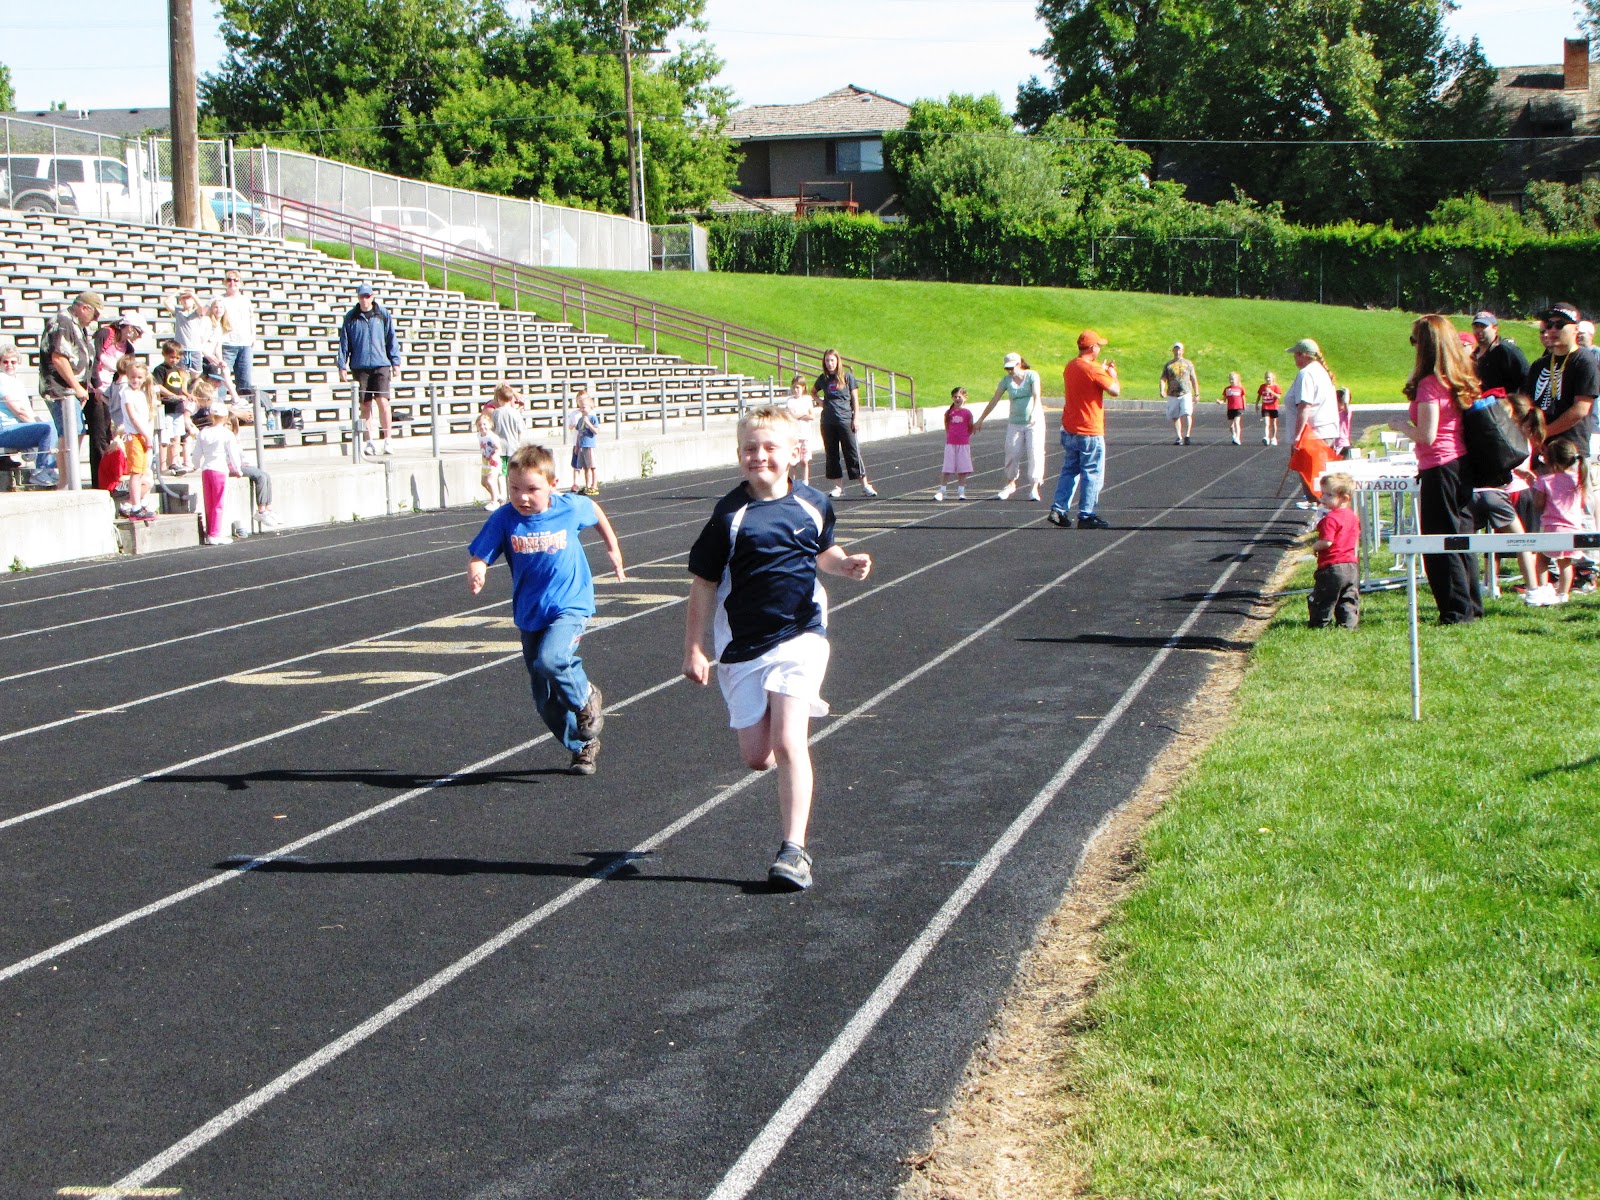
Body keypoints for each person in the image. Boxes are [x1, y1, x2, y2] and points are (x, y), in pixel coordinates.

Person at [682, 405, 872, 891]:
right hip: (743, 646)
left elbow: (822, 550)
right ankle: (778, 767)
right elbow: (703, 583)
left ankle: (794, 850)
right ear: (739, 454)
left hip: (801, 635)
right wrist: (695, 648)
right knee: (756, 757)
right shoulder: (728, 516)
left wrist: (844, 563)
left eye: (770, 448)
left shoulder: (812, 504)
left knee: (791, 742)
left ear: (794, 454)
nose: (759, 456)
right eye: (750, 448)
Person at [468, 444, 624, 775]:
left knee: (552, 659)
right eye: (515, 489)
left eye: (532, 489)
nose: (522, 497)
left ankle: (586, 696)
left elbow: (593, 510)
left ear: (553, 485)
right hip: (531, 613)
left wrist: (612, 548)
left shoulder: (568, 508)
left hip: (570, 604)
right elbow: (482, 551)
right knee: (545, 699)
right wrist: (478, 566)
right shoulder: (505, 518)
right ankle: (583, 747)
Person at [1390, 314, 1481, 625]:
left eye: (1415, 340)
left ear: (1425, 345)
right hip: (1461, 462)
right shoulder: (1456, 376)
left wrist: (1403, 426)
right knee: (1463, 537)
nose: (1412, 346)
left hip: (1439, 466)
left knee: (1440, 541)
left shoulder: (1430, 383)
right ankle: (1471, 605)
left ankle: (1456, 612)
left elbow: (1427, 435)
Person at [1049, 329, 1119, 529]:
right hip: (1089, 428)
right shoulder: (1094, 369)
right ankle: (1087, 514)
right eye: (1098, 345)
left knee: (1069, 470)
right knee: (1092, 472)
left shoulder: (1071, 366)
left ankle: (1059, 508)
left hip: (1070, 426)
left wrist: (1101, 370)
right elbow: (1115, 390)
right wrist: (1112, 374)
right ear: (1093, 347)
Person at [193, 379, 280, 533]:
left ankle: (267, 508)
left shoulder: (218, 432)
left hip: (216, 468)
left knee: (265, 475)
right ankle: (261, 510)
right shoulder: (220, 433)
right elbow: (232, 455)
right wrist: (239, 469)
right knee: (258, 477)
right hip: (224, 467)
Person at [39, 290, 103, 490]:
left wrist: (82, 388)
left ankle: (68, 481)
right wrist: (76, 387)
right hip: (60, 389)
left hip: (73, 391)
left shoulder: (78, 326)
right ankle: (64, 483)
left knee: (77, 432)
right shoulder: (63, 322)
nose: (95, 320)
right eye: (95, 315)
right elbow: (59, 357)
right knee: (69, 433)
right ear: (85, 308)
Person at [338, 283, 402, 456]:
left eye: (367, 296)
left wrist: (395, 361)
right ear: (358, 298)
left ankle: (388, 439)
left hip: (381, 363)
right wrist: (342, 364)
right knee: (365, 405)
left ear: (372, 297)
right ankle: (369, 441)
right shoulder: (351, 317)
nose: (365, 300)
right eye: (362, 297)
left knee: (383, 401)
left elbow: (391, 338)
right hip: (360, 365)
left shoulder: (382, 314)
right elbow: (344, 342)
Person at [975, 352, 1044, 501]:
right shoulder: (1006, 381)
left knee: (1035, 453)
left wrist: (1035, 412)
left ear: (1019, 364)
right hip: (1015, 422)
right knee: (1011, 453)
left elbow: (1037, 395)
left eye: (1012, 368)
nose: (1010, 371)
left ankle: (1034, 487)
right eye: (1007, 369)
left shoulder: (1032, 375)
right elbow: (994, 400)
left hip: (1034, 422)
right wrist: (981, 419)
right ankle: (1010, 484)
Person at [87, 314, 143, 489]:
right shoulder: (106, 334)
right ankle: (99, 482)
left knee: (109, 434)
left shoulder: (129, 348)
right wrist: (95, 384)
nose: (138, 337)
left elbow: (124, 371)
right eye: (138, 332)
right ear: (129, 327)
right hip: (93, 389)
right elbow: (94, 358)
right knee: (98, 436)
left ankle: (110, 479)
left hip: (110, 392)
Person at [1530, 437, 1587, 604]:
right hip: (1573, 527)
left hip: (1552, 526)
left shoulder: (1545, 480)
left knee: (1542, 559)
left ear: (1550, 460)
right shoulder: (1578, 480)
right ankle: (1563, 594)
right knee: (1565, 563)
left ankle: (1542, 587)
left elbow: (1539, 504)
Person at [814, 348, 876, 498]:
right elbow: (813, 391)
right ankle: (838, 487)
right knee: (832, 454)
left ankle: (865, 485)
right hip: (828, 421)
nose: (829, 364)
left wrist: (856, 418)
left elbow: (855, 399)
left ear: (837, 361)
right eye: (827, 361)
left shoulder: (847, 377)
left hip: (845, 420)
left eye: (832, 360)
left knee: (852, 453)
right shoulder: (823, 379)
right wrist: (820, 402)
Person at [1284, 338, 1340, 505]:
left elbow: (1304, 406)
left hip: (1313, 432)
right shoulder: (1321, 372)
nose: (1294, 359)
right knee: (1321, 476)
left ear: (1303, 355)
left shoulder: (1306, 373)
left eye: (1295, 355)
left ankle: (1319, 510)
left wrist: (1297, 435)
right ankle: (1320, 509)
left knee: (1313, 478)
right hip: (1325, 430)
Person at [0, 340, 58, 487]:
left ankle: (49, 468)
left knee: (51, 425)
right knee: (47, 428)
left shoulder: (16, 383)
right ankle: (41, 471)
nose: (9, 365)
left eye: (13, 362)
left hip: (17, 427)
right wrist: (39, 424)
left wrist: (39, 420)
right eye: (5, 362)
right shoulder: (1, 380)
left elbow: (26, 410)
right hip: (5, 429)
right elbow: (18, 411)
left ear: (18, 363)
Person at [1308, 471, 1360, 629]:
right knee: (1348, 597)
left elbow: (1327, 542)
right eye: (1322, 493)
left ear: (1344, 498)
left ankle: (1319, 624)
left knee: (1323, 598)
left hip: (1332, 566)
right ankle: (1348, 625)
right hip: (1351, 565)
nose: (1323, 498)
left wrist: (1315, 546)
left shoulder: (1331, 518)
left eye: (1329, 495)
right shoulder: (1352, 516)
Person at [110, 354, 155, 520]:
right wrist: (145, 435)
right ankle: (135, 506)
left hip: (142, 435)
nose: (135, 380)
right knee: (135, 473)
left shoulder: (141, 393)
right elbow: (133, 417)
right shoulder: (127, 392)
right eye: (132, 377)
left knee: (142, 471)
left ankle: (140, 503)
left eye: (139, 377)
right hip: (134, 435)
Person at [193, 406, 243, 545]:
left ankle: (211, 532)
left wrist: (195, 465)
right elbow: (233, 454)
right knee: (219, 503)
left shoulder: (204, 432)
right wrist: (238, 469)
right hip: (220, 469)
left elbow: (197, 453)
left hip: (206, 469)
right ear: (226, 417)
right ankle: (215, 533)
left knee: (209, 502)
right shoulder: (227, 434)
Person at [151, 339, 195, 475]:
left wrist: (187, 394)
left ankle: (174, 462)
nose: (174, 360)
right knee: (165, 438)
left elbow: (181, 388)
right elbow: (158, 386)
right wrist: (172, 396)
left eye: (177, 357)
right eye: (171, 357)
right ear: (164, 354)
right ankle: (163, 465)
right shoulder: (160, 370)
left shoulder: (179, 371)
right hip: (166, 408)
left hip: (178, 408)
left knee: (176, 436)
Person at [214, 268, 257, 404]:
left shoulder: (246, 300)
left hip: (245, 344)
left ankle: (245, 411)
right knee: (221, 378)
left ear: (240, 283)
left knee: (245, 380)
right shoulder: (219, 299)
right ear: (224, 282)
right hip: (226, 343)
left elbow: (251, 318)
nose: (232, 283)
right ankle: (218, 407)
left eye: (235, 280)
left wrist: (253, 336)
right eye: (229, 280)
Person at [1469, 311, 1528, 400]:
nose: (1479, 330)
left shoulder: (1507, 351)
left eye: (1483, 326)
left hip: (1505, 408)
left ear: (1495, 328)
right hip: (1481, 407)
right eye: (1476, 327)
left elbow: (1527, 378)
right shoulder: (1473, 355)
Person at [934, 386, 974, 502]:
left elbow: (970, 427)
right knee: (947, 468)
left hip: (963, 444)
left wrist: (964, 437)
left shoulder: (967, 413)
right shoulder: (949, 413)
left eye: (959, 397)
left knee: (962, 469)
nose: (957, 399)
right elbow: (947, 426)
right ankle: (942, 490)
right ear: (952, 398)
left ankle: (961, 491)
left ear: (965, 398)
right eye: (955, 397)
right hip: (951, 444)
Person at [1159, 342, 1199, 445]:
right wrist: (1162, 390)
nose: (1178, 352)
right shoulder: (1169, 365)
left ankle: (1187, 435)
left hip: (1185, 392)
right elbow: (1163, 378)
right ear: (1173, 351)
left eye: (1179, 350)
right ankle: (1178, 436)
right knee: (1175, 415)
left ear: (1182, 351)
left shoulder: (1188, 364)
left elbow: (1193, 378)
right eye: (1176, 350)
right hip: (1172, 393)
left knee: (1187, 413)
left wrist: (1197, 393)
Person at [567, 386, 602, 494]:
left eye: (584, 407)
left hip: (589, 445)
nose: (582, 409)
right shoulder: (580, 418)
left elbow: (596, 430)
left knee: (592, 466)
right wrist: (577, 446)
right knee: (583, 466)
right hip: (581, 445)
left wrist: (588, 423)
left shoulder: (592, 417)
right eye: (581, 407)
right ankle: (586, 486)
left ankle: (594, 485)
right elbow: (578, 433)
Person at [785, 374, 816, 486]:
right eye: (794, 387)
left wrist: (799, 415)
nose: (796, 390)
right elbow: (789, 416)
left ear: (803, 388)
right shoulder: (790, 401)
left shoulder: (807, 400)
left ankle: (805, 480)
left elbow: (811, 416)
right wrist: (802, 414)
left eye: (798, 387)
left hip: (805, 434)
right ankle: (792, 480)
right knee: (793, 461)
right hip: (794, 435)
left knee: (804, 460)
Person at [477, 409, 504, 508]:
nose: (482, 427)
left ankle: (494, 501)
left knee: (490, 481)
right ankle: (497, 496)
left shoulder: (492, 437)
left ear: (490, 424)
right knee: (483, 482)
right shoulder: (479, 435)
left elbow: (498, 449)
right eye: (479, 425)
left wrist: (494, 456)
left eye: (484, 424)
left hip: (493, 462)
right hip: (485, 462)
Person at [1219, 371, 1246, 446]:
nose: (1231, 381)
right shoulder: (1227, 389)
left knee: (1237, 423)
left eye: (1233, 379)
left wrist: (1244, 406)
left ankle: (1238, 437)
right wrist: (1220, 402)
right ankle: (1234, 435)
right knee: (1230, 426)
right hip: (1230, 408)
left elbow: (1243, 398)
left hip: (1238, 408)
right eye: (1230, 379)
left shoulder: (1240, 388)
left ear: (1237, 380)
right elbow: (1224, 399)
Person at [1257, 370, 1282, 446]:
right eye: (1266, 378)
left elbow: (1278, 396)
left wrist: (1271, 391)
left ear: (1272, 378)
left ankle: (1274, 438)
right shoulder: (1262, 386)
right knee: (1266, 423)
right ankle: (1266, 437)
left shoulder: (1275, 387)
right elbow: (1259, 396)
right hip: (1265, 407)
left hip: (1273, 407)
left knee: (1274, 423)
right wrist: (1256, 404)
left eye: (1269, 378)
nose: (1268, 379)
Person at [1334, 386, 1353, 457]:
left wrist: (1346, 392)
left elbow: (1346, 403)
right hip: (1335, 444)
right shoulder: (1334, 413)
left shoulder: (1345, 413)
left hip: (1343, 444)